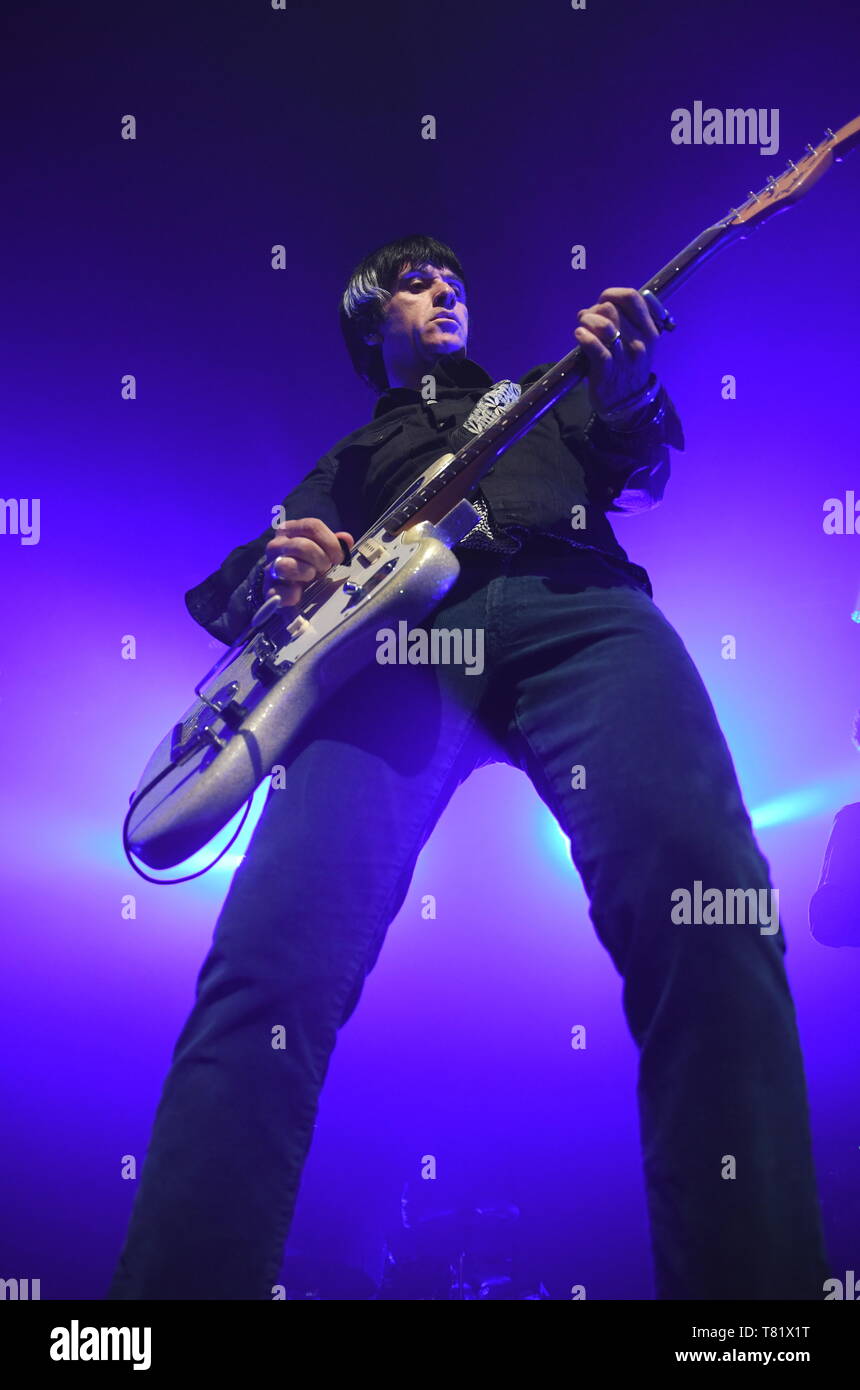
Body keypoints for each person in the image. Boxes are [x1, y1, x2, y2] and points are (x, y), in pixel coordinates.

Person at [107, 235, 830, 1300]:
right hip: (384, 653)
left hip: (572, 607)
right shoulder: (353, 458)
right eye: (412, 282)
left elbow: (638, 452)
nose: (442, 288)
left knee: (707, 902)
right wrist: (285, 571)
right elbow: (253, 585)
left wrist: (625, 387)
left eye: (450, 279)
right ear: (369, 326)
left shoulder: (541, 391)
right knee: (269, 963)